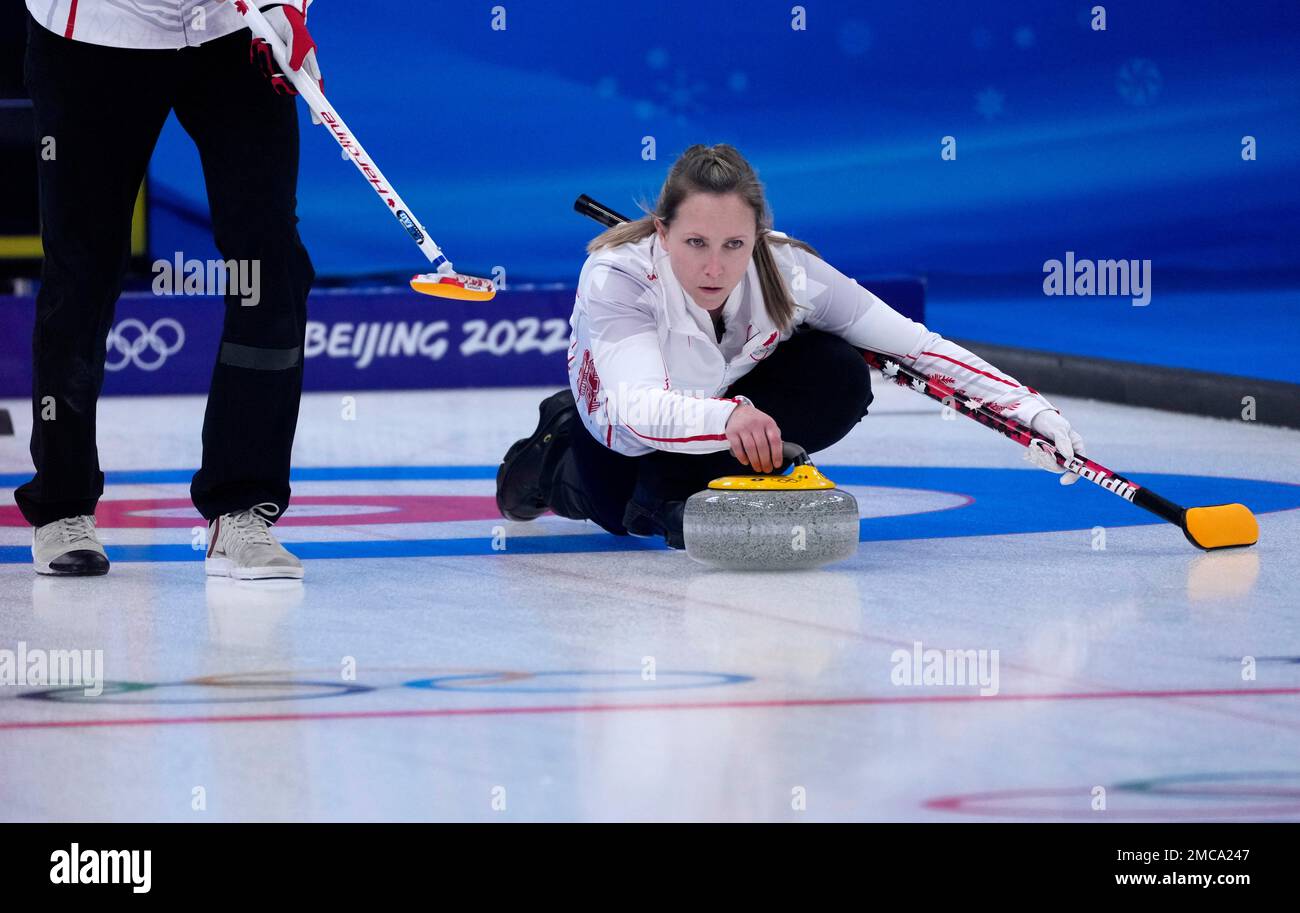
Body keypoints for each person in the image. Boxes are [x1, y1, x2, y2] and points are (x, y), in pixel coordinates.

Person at [496, 144, 1087, 548]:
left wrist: (1030, 410)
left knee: (837, 370)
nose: (714, 265)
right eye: (695, 241)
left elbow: (915, 346)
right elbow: (638, 409)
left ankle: (685, 491)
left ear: (757, 237)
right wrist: (730, 420)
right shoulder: (618, 279)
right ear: (661, 232)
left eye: (734, 244)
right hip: (622, 435)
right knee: (616, 507)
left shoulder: (790, 271)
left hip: (717, 407)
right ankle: (556, 451)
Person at [17, 0, 323, 579]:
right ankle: (62, 505)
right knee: (82, 267)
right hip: (98, 32)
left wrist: (288, 7)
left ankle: (242, 505)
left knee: (271, 264)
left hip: (233, 26)